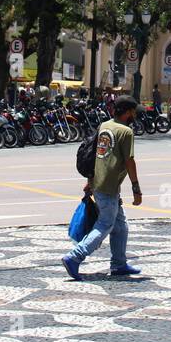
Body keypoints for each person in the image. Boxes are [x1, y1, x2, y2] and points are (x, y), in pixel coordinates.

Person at [63, 95, 142, 280]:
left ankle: (119, 264)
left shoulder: (105, 125)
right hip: (108, 185)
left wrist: (90, 181)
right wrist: (136, 188)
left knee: (120, 226)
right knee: (105, 224)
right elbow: (129, 161)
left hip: (99, 182)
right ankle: (74, 257)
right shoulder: (126, 132)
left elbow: (95, 155)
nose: (134, 115)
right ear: (129, 111)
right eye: (133, 112)